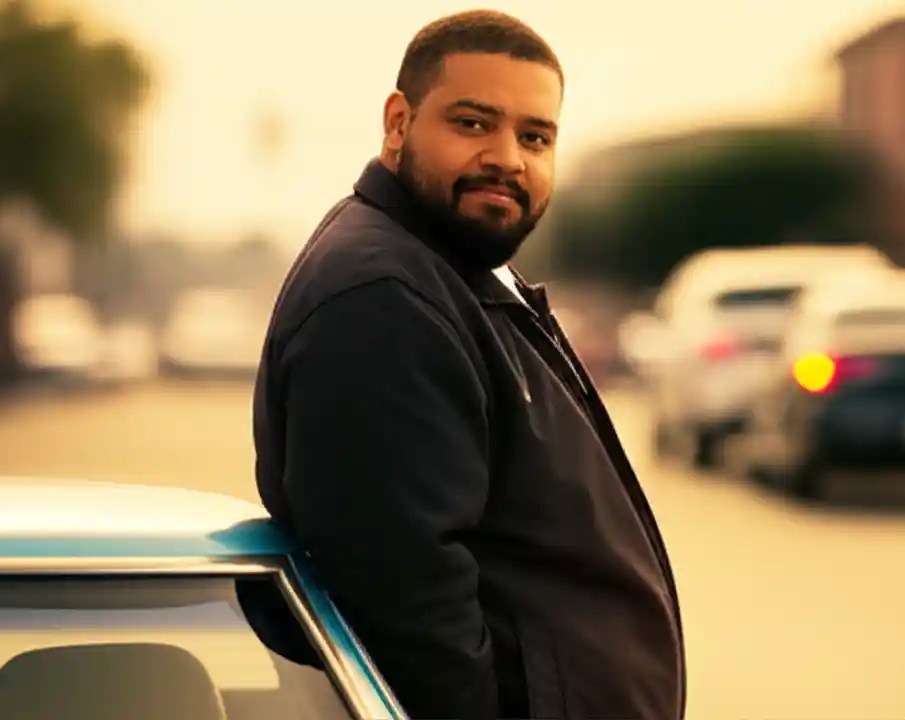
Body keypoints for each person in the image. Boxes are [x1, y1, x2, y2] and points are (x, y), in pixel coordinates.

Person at [253, 10, 684, 719]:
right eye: (474, 124)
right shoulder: (382, 299)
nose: (509, 158)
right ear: (399, 123)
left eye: (535, 136)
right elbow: (408, 610)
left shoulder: (449, 272)